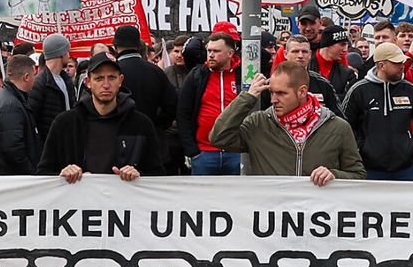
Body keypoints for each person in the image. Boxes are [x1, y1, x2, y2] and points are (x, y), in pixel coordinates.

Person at [209, 61, 365, 185]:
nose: (273, 100)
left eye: (281, 93)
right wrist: (248, 98)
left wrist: (334, 175)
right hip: (271, 216)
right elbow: (219, 137)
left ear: (302, 92)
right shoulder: (259, 123)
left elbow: (358, 175)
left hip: (316, 216)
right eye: (271, 92)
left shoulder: (337, 127)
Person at [37, 52, 161, 180]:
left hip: (124, 199)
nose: (106, 85)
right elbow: (44, 173)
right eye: (99, 78)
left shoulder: (141, 124)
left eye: (112, 77)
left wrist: (138, 176)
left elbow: (157, 174)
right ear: (88, 82)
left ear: (120, 80)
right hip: (78, 199)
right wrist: (62, 175)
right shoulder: (65, 123)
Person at [342, 43, 413, 181]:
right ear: (381, 65)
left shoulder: (410, 90)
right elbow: (344, 125)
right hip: (368, 169)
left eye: (402, 62)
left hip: (405, 169)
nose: (402, 66)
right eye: (397, 63)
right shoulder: (359, 90)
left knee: (407, 203)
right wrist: (361, 147)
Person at [110, 24, 177, 172]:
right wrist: (157, 123)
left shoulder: (110, 74)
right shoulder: (156, 72)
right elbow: (172, 105)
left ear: (115, 46)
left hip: (117, 142)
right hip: (151, 142)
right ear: (139, 45)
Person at [178, 32, 244, 176]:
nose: (211, 55)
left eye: (216, 51)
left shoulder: (242, 75)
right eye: (209, 51)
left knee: (237, 197)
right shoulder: (197, 75)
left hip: (235, 152)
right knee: (202, 198)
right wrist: (192, 150)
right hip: (204, 153)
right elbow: (183, 112)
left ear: (230, 53)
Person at [0, 54, 42, 176]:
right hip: (7, 175)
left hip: (2, 172)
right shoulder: (10, 105)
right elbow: (13, 148)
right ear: (27, 77)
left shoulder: (8, 98)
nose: (35, 80)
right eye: (34, 76)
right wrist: (30, 171)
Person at [27, 34, 76, 140]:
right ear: (60, 53)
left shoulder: (66, 79)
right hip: (50, 144)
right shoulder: (40, 83)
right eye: (67, 51)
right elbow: (32, 120)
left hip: (68, 141)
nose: (69, 55)